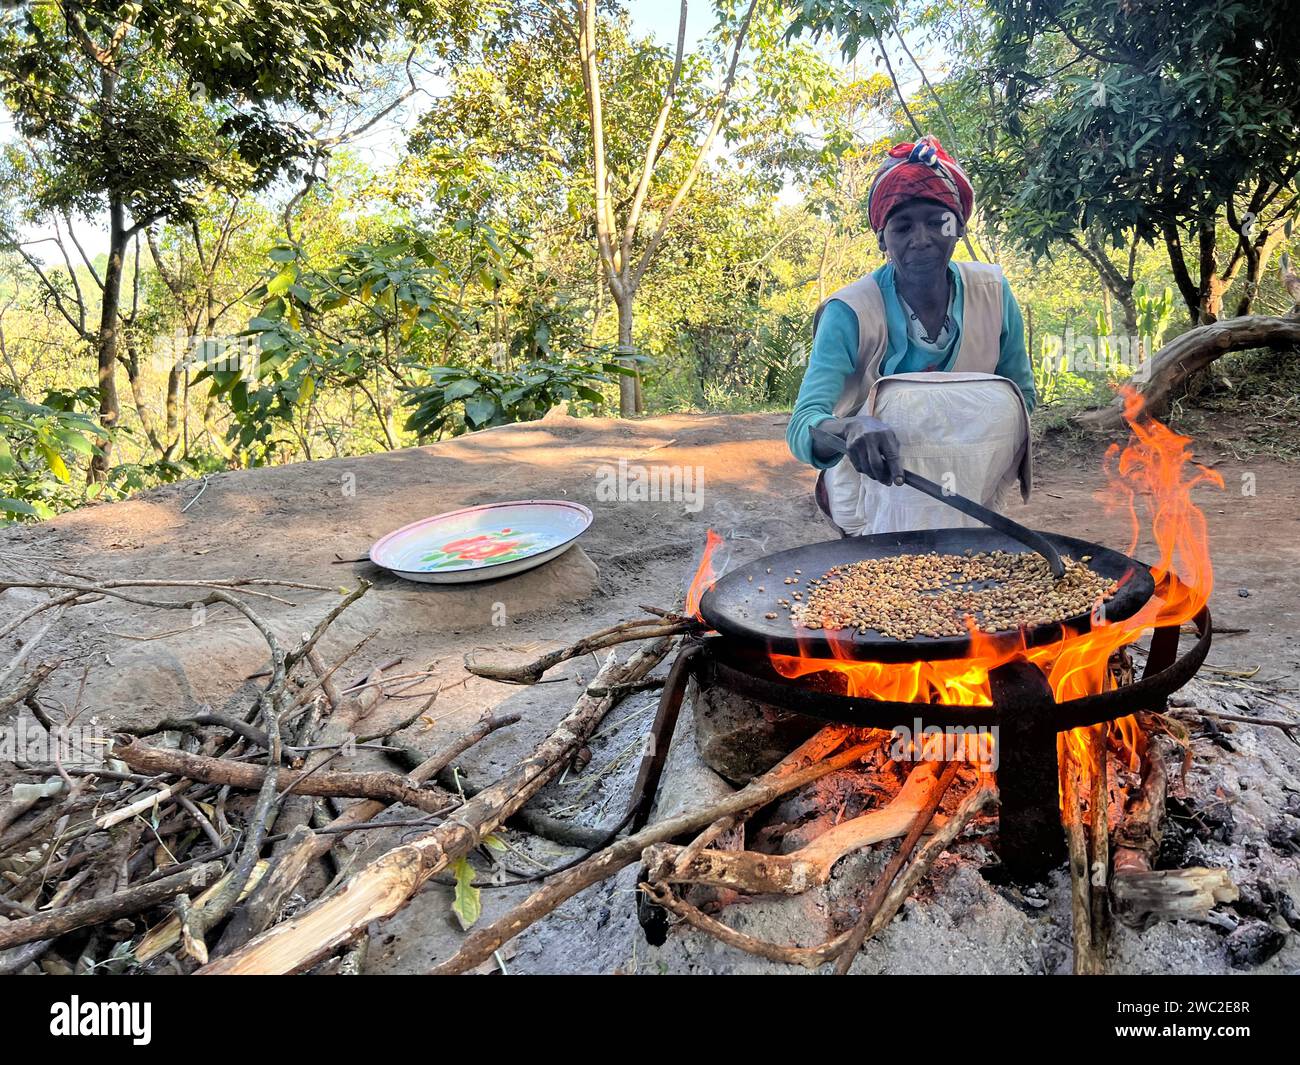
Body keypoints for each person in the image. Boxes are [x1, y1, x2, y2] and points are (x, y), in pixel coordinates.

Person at [787, 135, 1037, 536]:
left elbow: (1022, 397)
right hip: (874, 503)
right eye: (902, 226)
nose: (921, 239)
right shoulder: (849, 312)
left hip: (972, 497)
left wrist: (960, 433)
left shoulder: (993, 294)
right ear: (883, 239)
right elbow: (803, 427)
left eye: (938, 222)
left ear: (958, 228)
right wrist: (851, 428)